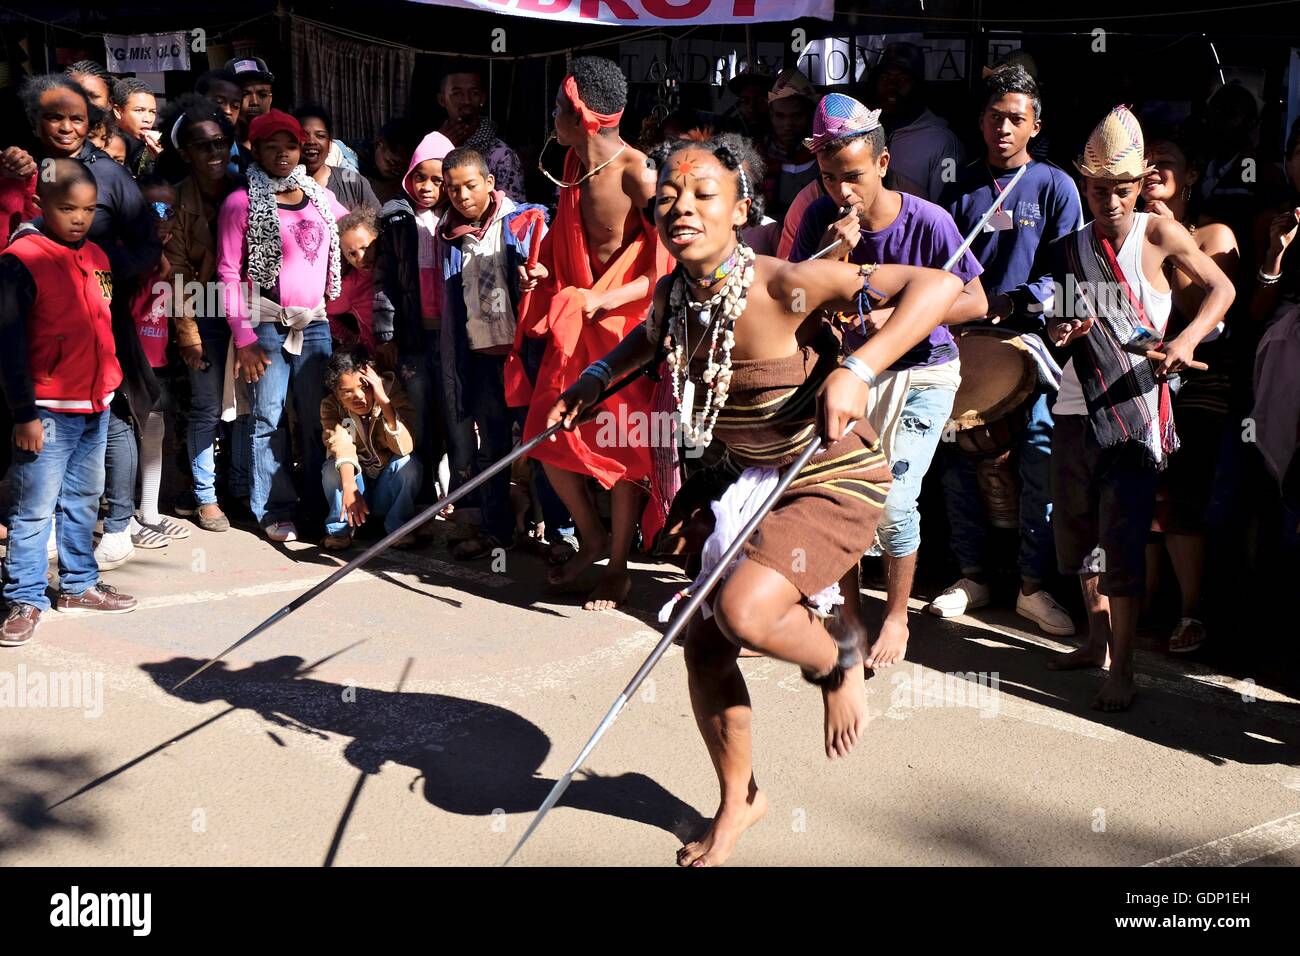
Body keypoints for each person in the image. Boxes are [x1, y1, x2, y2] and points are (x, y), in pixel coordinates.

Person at [545, 134, 963, 866]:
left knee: (744, 609)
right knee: (704, 645)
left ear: (740, 211)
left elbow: (939, 287)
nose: (682, 207)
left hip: (832, 476)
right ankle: (741, 799)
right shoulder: (678, 292)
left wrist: (859, 367)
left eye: (705, 195)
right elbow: (650, 341)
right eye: (670, 195)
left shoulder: (781, 284)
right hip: (754, 479)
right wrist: (594, 379)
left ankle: (837, 659)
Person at [1044, 106, 1234, 711]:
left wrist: (1185, 339)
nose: (1111, 201)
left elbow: (1223, 289)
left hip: (1133, 412)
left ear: (1140, 182)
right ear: (1084, 185)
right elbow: (1064, 321)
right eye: (1099, 190)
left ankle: (1123, 666)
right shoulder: (1072, 247)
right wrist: (1063, 331)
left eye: (1122, 189)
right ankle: (1096, 635)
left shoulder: (1159, 233)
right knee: (1074, 529)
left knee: (1122, 536)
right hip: (1076, 405)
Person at [791, 93, 987, 668]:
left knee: (895, 501)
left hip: (924, 372)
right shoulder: (817, 221)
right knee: (843, 493)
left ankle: (897, 614)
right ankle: (851, 610)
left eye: (853, 176)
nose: (841, 190)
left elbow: (974, 300)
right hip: (850, 374)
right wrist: (833, 255)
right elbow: (797, 301)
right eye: (828, 177)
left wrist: (901, 316)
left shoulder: (930, 220)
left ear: (881, 163)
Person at [508, 56, 670, 611]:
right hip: (574, 330)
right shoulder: (573, 166)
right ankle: (592, 537)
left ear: (582, 114)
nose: (552, 115)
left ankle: (619, 569)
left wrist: (603, 298)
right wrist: (543, 273)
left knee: (624, 452)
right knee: (547, 439)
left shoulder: (639, 174)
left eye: (559, 106)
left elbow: (664, 270)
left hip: (625, 336)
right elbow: (562, 248)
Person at [932, 65, 1083, 635]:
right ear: (980, 121)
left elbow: (1071, 273)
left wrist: (1018, 304)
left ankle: (1033, 587)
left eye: (1016, 118)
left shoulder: (1055, 185)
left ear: (1035, 125)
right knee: (956, 462)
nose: (1003, 127)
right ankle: (972, 577)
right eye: (995, 117)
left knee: (1038, 460)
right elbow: (940, 272)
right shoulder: (960, 186)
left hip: (1033, 347)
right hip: (967, 348)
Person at [17, 74, 163, 571]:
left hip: (101, 321)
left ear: (91, 121)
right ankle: (44, 546)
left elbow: (147, 245)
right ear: (36, 120)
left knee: (114, 416)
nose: (64, 127)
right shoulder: (22, 167)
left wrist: (94, 275)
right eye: (54, 117)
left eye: (76, 117)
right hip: (34, 331)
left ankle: (118, 526)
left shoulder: (111, 175)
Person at [0, 159, 138, 646]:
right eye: (67, 209)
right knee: (34, 508)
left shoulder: (98, 255)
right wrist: (23, 413)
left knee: (83, 499)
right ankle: (24, 595)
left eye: (88, 209)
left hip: (95, 404)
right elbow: (8, 342)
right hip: (46, 409)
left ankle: (78, 585)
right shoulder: (21, 259)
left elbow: (103, 324)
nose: (79, 218)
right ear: (40, 205)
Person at [216, 109, 347, 543]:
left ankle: (316, 504)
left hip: (315, 325)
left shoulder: (321, 199)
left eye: (289, 145)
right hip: (266, 324)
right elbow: (228, 274)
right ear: (253, 149)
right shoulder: (242, 203)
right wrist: (245, 338)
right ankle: (275, 508)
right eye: (270, 146)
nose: (282, 154)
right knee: (268, 418)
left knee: (317, 418)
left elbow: (359, 234)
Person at [1140, 125, 1240, 653]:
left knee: (1181, 495)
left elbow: (1203, 317)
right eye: (1146, 161)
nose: (1153, 170)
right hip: (1142, 379)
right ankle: (1148, 604)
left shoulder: (1212, 236)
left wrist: (1169, 236)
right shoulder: (1128, 233)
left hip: (1201, 381)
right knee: (1143, 497)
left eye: (1166, 162)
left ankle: (1190, 611)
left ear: (1192, 176)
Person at [437, 146, 549, 557]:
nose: (462, 196)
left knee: (541, 446)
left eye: (470, 186)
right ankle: (496, 530)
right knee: (493, 449)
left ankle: (559, 532)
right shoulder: (449, 235)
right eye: (453, 189)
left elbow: (545, 268)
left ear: (489, 183)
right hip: (482, 359)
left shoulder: (522, 221)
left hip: (523, 357)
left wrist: (537, 274)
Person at [156, 96, 242, 534]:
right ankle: (207, 497)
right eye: (202, 146)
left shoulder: (245, 188)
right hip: (203, 312)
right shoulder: (175, 200)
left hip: (246, 310)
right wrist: (187, 334)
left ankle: (243, 489)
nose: (214, 154)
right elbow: (178, 276)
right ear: (185, 153)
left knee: (246, 407)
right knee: (207, 405)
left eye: (220, 144)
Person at [372, 130, 460, 507]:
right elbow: (384, 279)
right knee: (420, 415)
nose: (427, 186)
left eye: (438, 180)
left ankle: (462, 494)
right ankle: (422, 494)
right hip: (413, 337)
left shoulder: (460, 221)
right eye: (420, 177)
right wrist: (386, 332)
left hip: (454, 337)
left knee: (457, 416)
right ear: (408, 177)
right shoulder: (396, 220)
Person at [128, 174, 190, 542]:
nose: (164, 217)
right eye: (155, 209)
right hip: (130, 363)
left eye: (172, 209)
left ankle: (149, 512)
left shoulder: (164, 252)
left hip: (157, 360)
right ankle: (123, 519)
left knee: (155, 432)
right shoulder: (133, 255)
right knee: (122, 441)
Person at [320, 347, 422, 551]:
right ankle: (340, 531)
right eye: (347, 391)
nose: (358, 396)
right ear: (336, 394)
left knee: (408, 464)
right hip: (356, 492)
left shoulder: (391, 393)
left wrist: (384, 401)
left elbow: (404, 447)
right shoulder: (331, 407)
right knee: (332, 468)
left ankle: (398, 527)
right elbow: (341, 445)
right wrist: (349, 486)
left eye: (364, 387)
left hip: (386, 489)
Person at [866, 42, 965, 204]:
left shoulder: (942, 142)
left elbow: (945, 209)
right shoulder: (866, 132)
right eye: (885, 78)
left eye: (903, 79)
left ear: (919, 86)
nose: (892, 86)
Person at [437, 67, 525, 203]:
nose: (466, 100)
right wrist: (439, 146)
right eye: (457, 93)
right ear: (442, 100)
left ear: (483, 98)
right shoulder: (431, 145)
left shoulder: (501, 155)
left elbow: (513, 212)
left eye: (474, 93)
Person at [760, 67, 819, 225]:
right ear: (771, 115)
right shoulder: (757, 156)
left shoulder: (824, 156)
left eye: (797, 115)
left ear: (809, 115)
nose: (788, 125)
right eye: (780, 116)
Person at [295, 104, 379, 212]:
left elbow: (377, 225)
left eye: (320, 136)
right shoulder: (282, 187)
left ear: (330, 144)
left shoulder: (352, 181)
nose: (311, 142)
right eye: (304, 135)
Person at [329, 208, 382, 351]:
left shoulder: (399, 268)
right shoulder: (349, 286)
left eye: (365, 248)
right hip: (378, 357)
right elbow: (324, 315)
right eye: (352, 254)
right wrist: (350, 338)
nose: (361, 258)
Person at [357, 118, 423, 206]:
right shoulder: (350, 160)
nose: (397, 170)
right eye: (391, 162)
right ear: (378, 144)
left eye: (403, 167)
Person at [194, 69, 245, 175]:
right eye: (219, 102)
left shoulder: (247, 158)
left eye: (235, 106)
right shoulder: (176, 156)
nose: (228, 111)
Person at [110, 77, 160, 177]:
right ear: (118, 111)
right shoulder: (104, 145)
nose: (148, 119)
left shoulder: (152, 148)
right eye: (139, 110)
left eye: (152, 112)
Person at [223, 56, 275, 151]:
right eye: (245, 94)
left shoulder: (284, 143)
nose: (254, 102)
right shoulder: (219, 148)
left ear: (270, 99)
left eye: (262, 94)